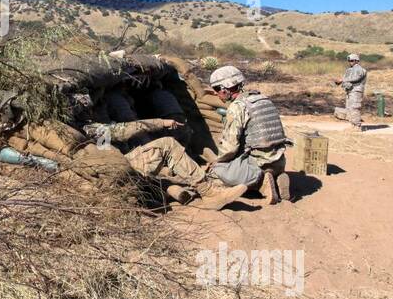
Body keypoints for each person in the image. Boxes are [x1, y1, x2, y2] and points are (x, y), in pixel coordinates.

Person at [96, 119, 249, 211]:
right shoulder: (88, 127)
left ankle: (206, 186)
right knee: (168, 144)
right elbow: (121, 130)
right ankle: (209, 192)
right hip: (114, 169)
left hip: (114, 165)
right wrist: (161, 122)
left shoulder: (77, 128)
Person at [206, 65, 291, 205]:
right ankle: (277, 175)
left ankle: (261, 185)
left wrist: (218, 162)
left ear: (225, 88)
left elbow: (230, 148)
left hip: (256, 165)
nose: (215, 93)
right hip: (279, 161)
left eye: (216, 89)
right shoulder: (264, 99)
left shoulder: (237, 107)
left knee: (216, 172)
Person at [334, 54, 368, 131]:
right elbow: (345, 78)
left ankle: (357, 126)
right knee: (349, 108)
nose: (350, 62)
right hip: (349, 91)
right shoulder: (349, 70)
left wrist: (342, 80)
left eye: (352, 60)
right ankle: (352, 124)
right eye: (349, 61)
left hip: (356, 91)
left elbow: (357, 78)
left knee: (355, 107)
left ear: (357, 61)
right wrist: (339, 82)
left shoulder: (360, 69)